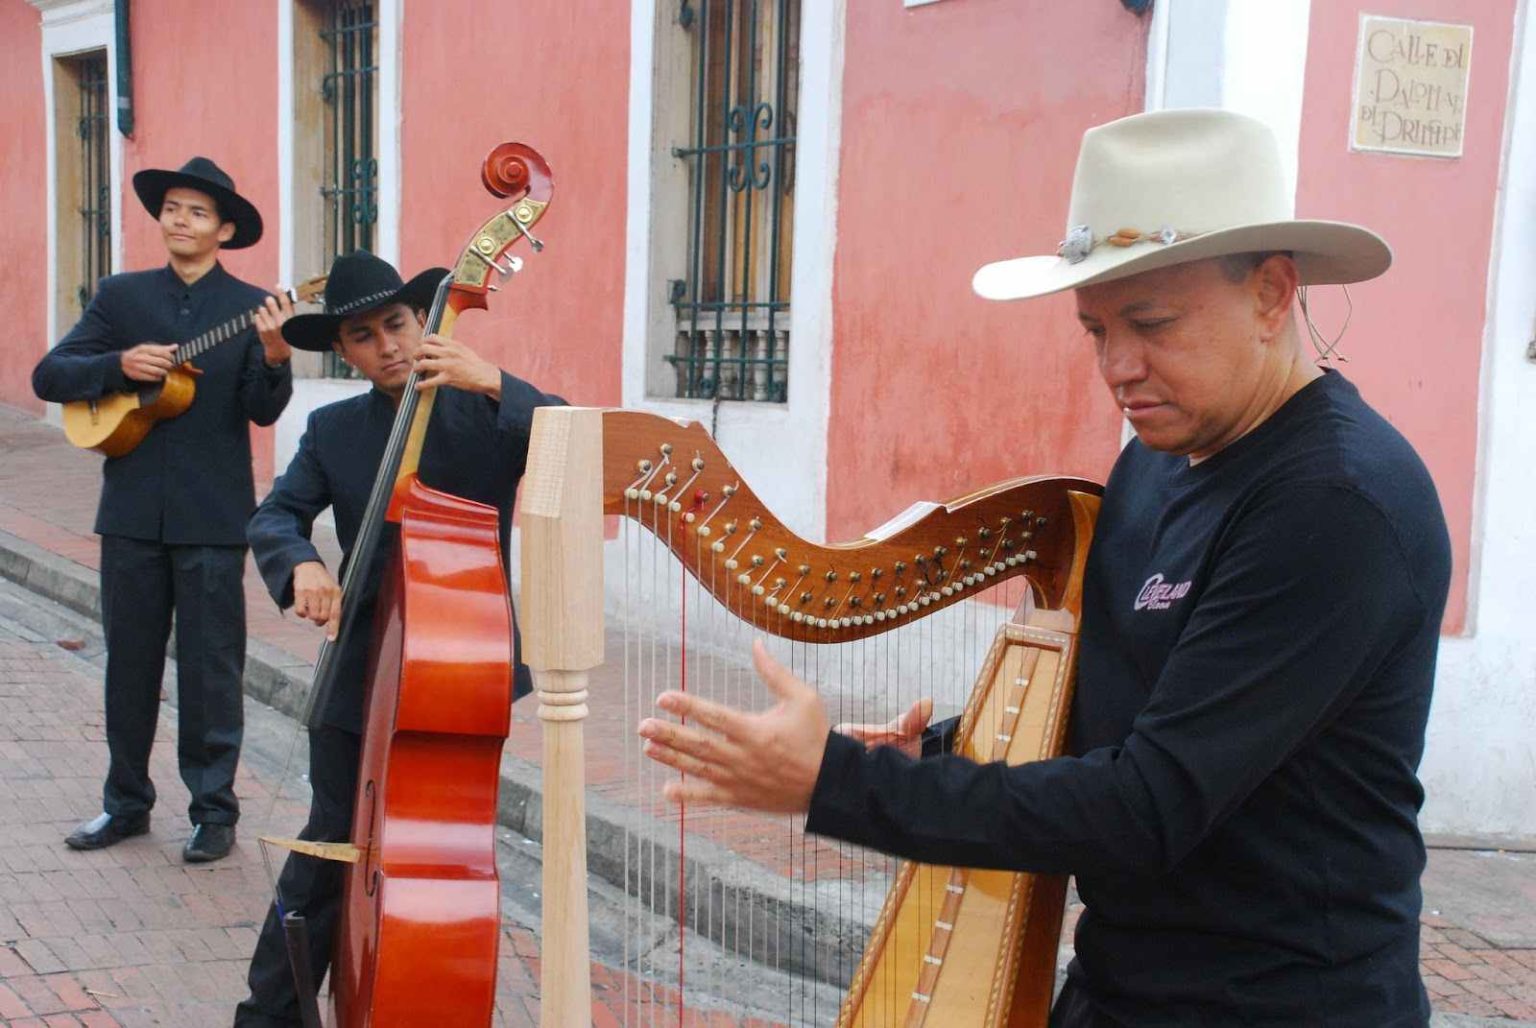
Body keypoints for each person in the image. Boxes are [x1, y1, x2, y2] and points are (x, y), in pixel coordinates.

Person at [637, 109, 1452, 1027]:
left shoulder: (1334, 505)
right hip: (1128, 988)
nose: (1118, 366)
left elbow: (1148, 805)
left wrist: (838, 785)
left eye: (1151, 323)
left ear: (1271, 294)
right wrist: (936, 751)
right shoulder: (1158, 458)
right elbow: (1123, 703)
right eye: (1095, 329)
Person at [233, 249, 564, 1027]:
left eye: (397, 323)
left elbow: (575, 447)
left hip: (456, 671)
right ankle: (267, 1014)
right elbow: (275, 516)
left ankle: (406, 994)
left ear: (424, 321)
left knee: (434, 854)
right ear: (343, 351)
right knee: (330, 843)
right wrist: (303, 566)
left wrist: (500, 386)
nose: (388, 345)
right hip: (358, 670)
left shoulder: (485, 414)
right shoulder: (333, 429)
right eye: (363, 335)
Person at [33, 156, 294, 863]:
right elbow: (50, 374)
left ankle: (214, 812)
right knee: (130, 665)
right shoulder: (121, 298)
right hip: (130, 513)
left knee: (211, 669)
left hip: (214, 516)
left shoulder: (250, 306)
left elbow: (262, 411)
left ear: (225, 230)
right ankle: (125, 804)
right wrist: (119, 367)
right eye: (172, 208)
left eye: (198, 212)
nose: (181, 220)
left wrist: (273, 355)